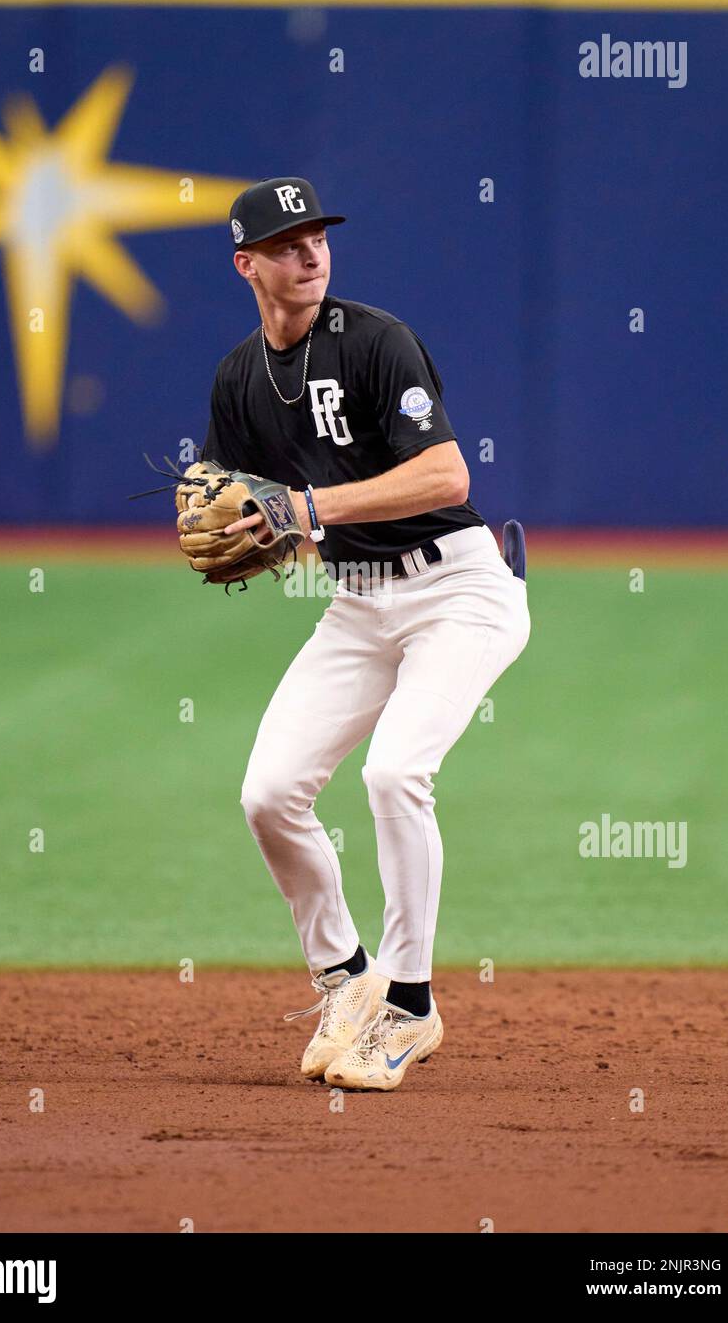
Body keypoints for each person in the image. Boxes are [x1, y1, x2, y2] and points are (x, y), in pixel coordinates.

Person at [202, 177, 530, 1091]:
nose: (309, 253)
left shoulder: (376, 341)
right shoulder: (239, 380)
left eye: (317, 236)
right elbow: (249, 515)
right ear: (247, 265)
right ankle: (347, 981)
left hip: (461, 587)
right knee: (269, 793)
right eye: (285, 242)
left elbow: (442, 474)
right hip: (358, 603)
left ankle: (410, 1008)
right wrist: (248, 537)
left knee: (395, 773)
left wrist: (303, 506)